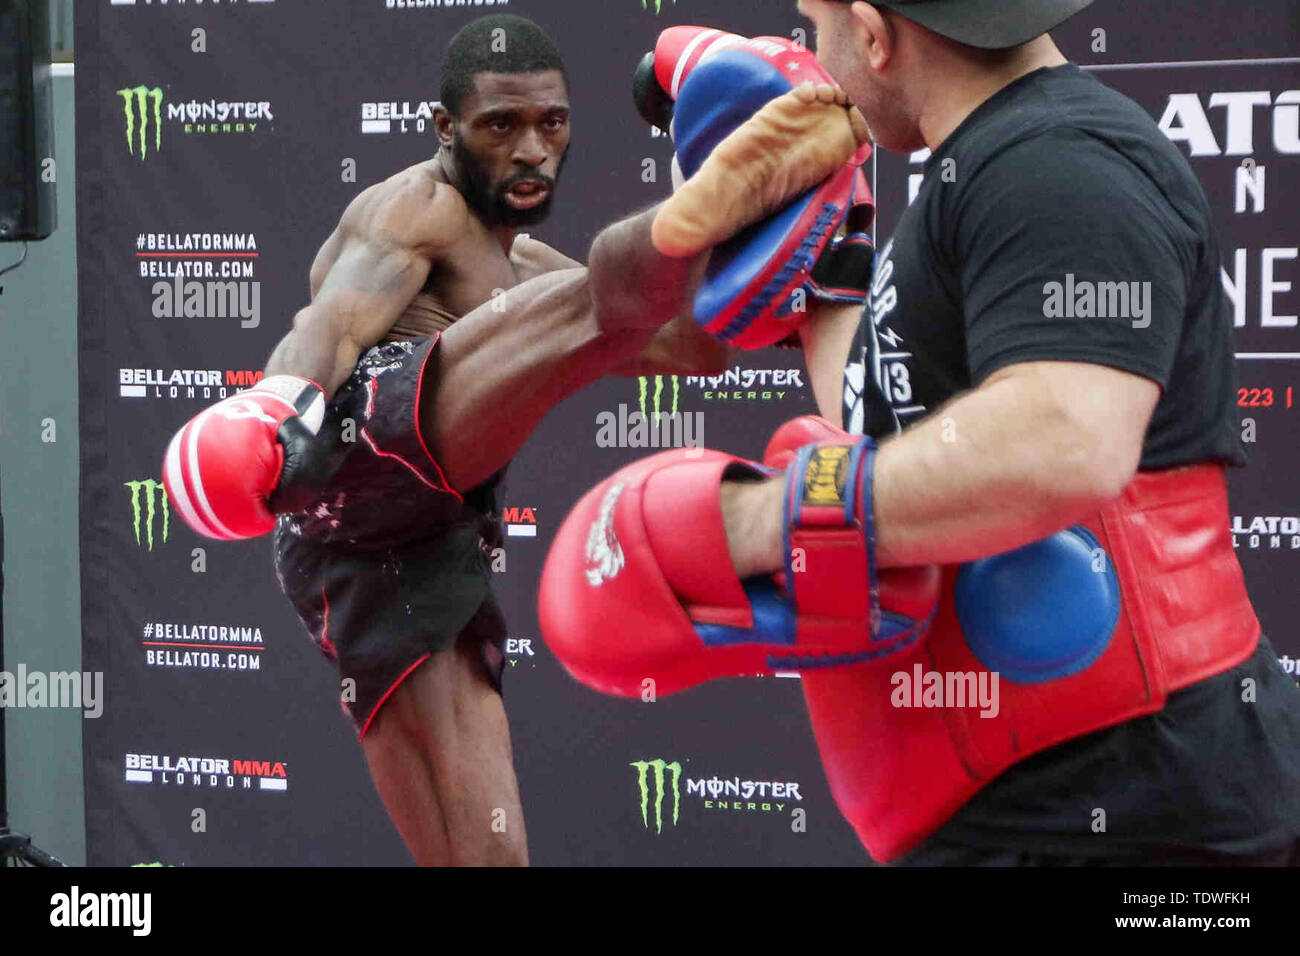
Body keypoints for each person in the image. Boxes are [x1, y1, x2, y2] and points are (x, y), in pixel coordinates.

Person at [538, 2, 1300, 866]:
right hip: (1033, 811)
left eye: (817, 25)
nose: (815, 54)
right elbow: (885, 426)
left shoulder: (1062, 163)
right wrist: (814, 249)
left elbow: (1062, 440)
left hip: (1135, 809)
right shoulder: (979, 171)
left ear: (872, 30)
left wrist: (756, 523)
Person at [161, 13, 870, 865]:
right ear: (444, 129)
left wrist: (821, 247)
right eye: (502, 125)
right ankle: (711, 192)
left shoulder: (524, 268)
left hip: (410, 553)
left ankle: (710, 196)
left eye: (552, 123)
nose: (532, 149)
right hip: (360, 455)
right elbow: (332, 324)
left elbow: (692, 346)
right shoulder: (414, 208)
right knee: (598, 308)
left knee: (485, 857)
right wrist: (274, 405)